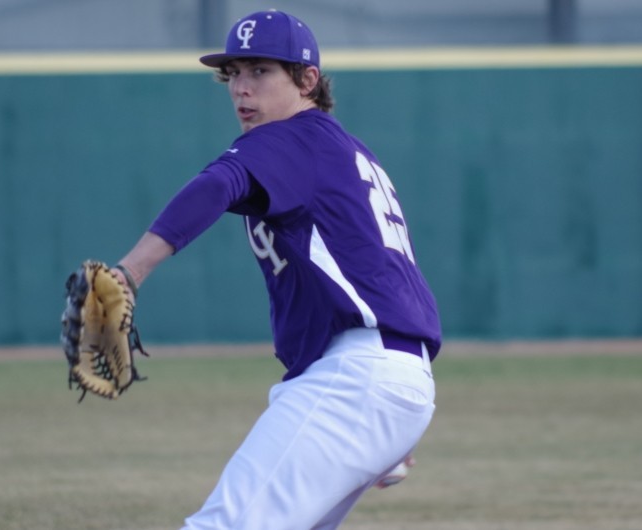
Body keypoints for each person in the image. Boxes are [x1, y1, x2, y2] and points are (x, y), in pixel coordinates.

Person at [110, 9, 441, 529]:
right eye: (232, 74)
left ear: (307, 80)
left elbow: (215, 187)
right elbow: (393, 285)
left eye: (260, 71)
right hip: (391, 377)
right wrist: (395, 415)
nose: (241, 88)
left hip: (355, 378)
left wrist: (128, 274)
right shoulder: (348, 153)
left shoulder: (290, 139)